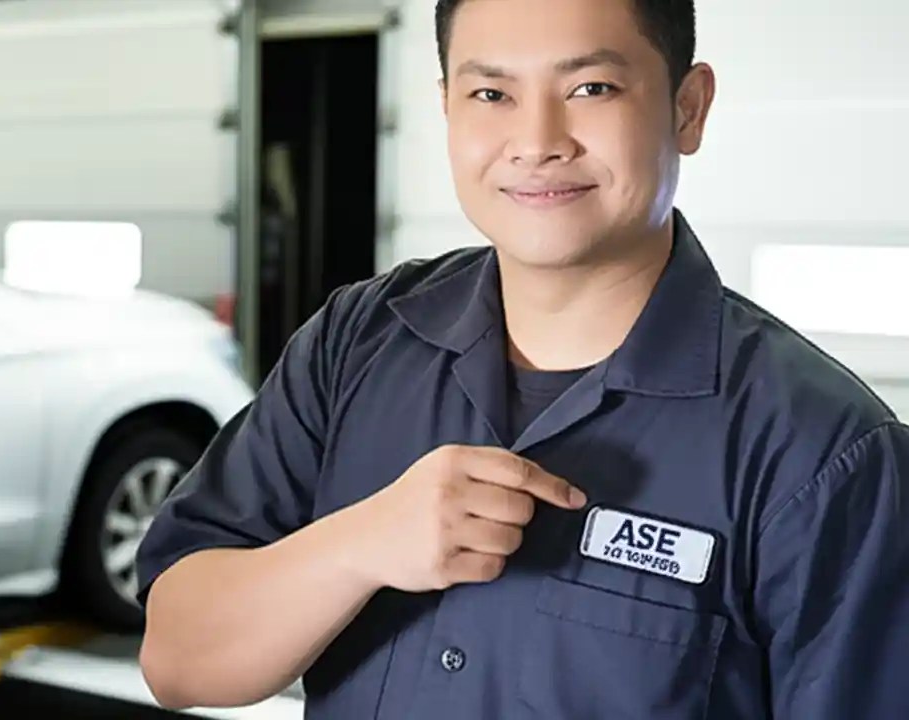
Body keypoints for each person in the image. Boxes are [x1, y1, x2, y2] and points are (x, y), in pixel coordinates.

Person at [135, 0, 909, 717]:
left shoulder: (823, 451)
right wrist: (357, 545)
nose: (537, 142)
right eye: (491, 95)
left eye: (592, 87)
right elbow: (178, 662)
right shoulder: (355, 343)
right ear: (446, 107)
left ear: (687, 107)